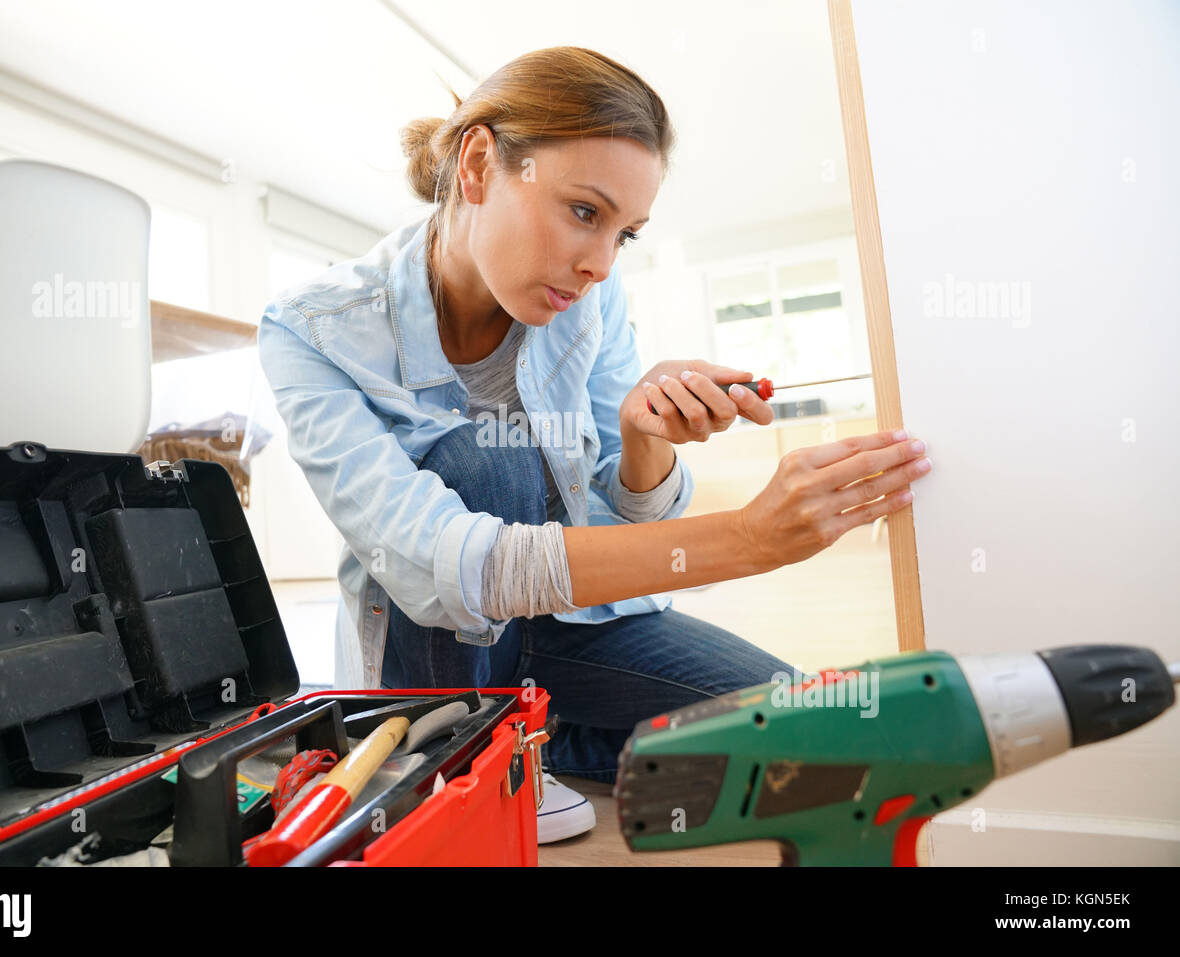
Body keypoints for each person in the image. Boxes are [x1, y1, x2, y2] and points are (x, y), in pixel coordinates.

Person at [257, 46, 931, 844]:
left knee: (816, 735)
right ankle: (464, 753)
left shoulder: (590, 303)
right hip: (443, 655)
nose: (599, 263)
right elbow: (440, 562)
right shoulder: (311, 329)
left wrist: (643, 440)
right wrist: (748, 539)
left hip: (570, 622)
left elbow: (627, 502)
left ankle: (545, 741)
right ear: (478, 165)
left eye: (626, 234)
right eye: (585, 211)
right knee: (486, 454)